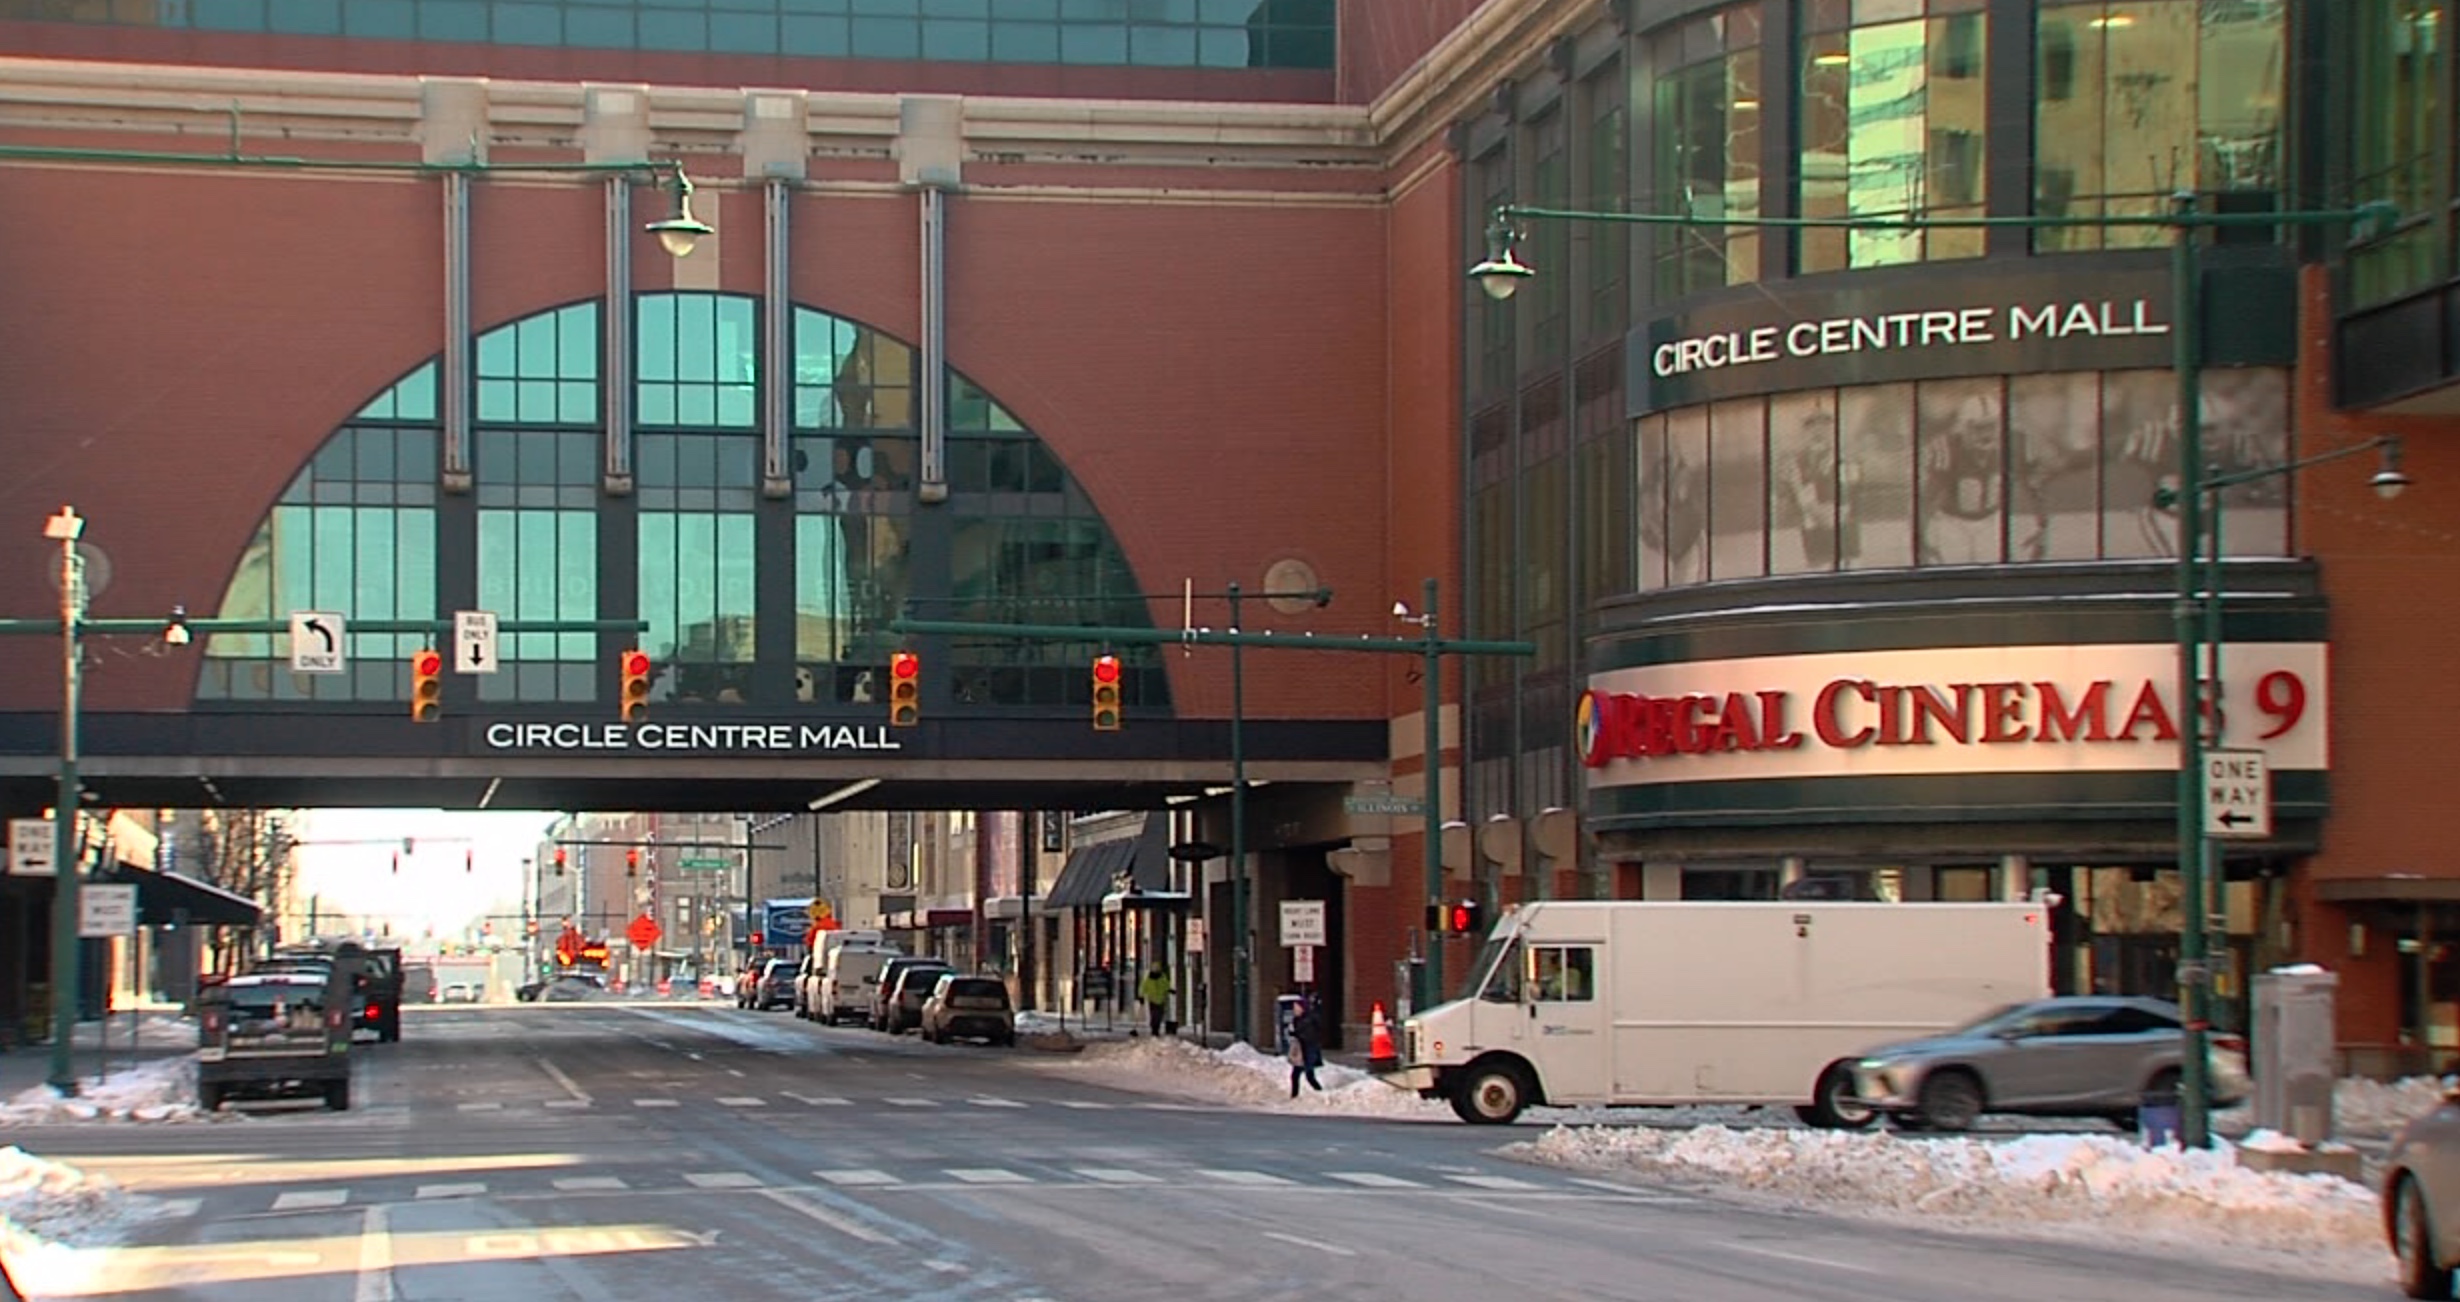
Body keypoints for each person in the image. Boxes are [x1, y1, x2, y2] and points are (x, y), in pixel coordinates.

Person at [1287, 995, 1325, 1098]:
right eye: (1294, 1007)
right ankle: (1294, 1095)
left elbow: (1310, 1036)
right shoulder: (1297, 1020)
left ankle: (1320, 1093)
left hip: (1308, 1050)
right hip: (1301, 1050)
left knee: (1309, 1075)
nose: (1294, 1010)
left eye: (1296, 1007)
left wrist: (1296, 1034)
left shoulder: (1308, 1020)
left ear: (1302, 1008)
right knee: (1295, 1075)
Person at [1137, 962, 1172, 1039]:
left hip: (1161, 999)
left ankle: (1156, 1028)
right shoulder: (1149, 978)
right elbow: (1143, 987)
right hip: (1153, 999)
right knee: (1154, 1015)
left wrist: (1169, 990)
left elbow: (1165, 985)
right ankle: (1154, 1029)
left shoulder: (1162, 977)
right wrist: (1141, 996)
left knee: (1159, 1015)